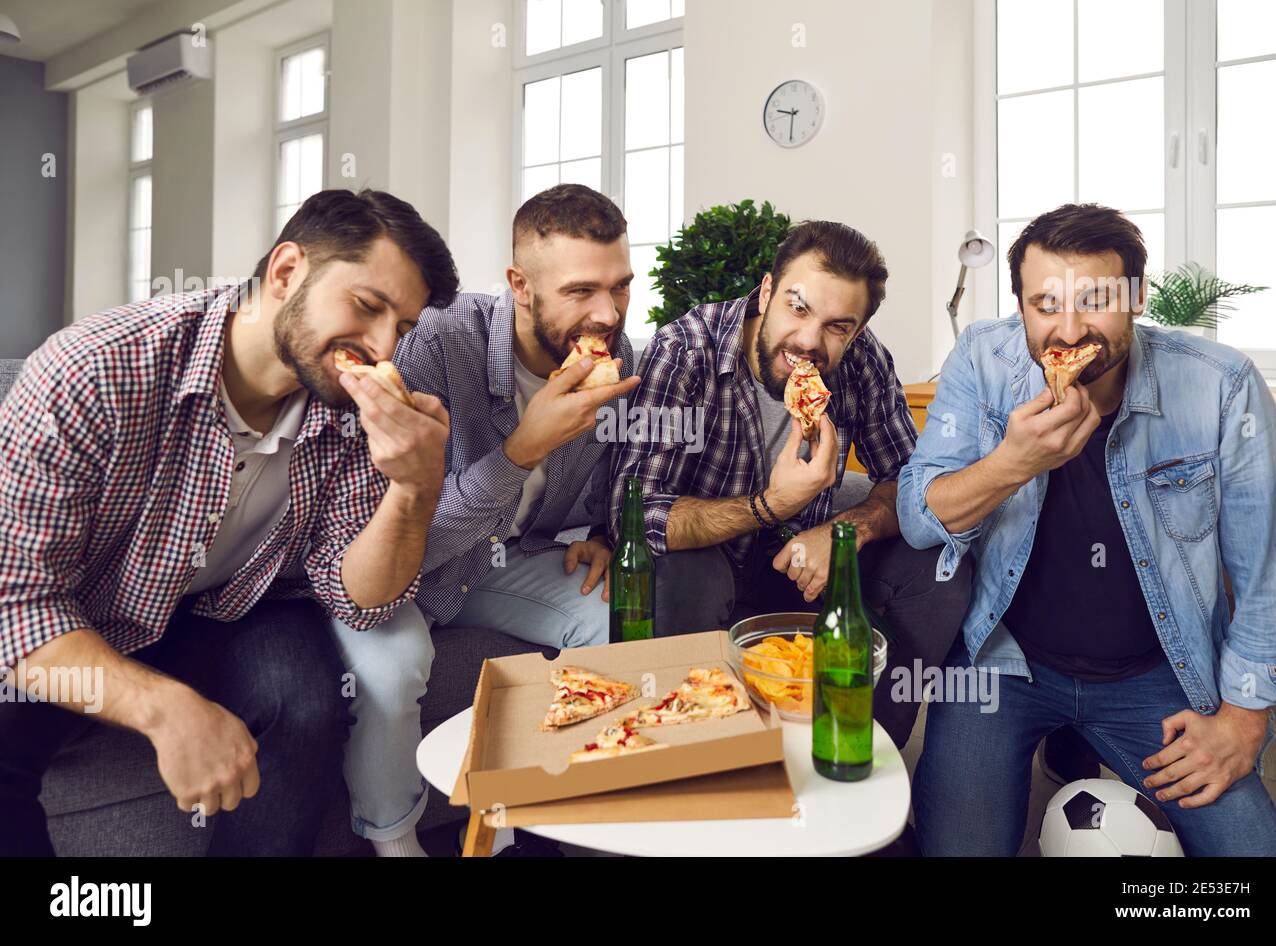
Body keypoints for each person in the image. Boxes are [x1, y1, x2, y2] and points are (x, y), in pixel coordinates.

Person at [0, 188, 457, 856]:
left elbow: (361, 601)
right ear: (285, 272)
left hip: (225, 611)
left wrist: (415, 489)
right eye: (367, 306)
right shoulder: (97, 370)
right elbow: (15, 600)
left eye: (403, 327)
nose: (384, 346)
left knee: (304, 699)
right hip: (83, 618)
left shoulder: (357, 408)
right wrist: (164, 708)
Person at [901, 202, 1276, 856]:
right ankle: (1063, 741)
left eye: (1096, 300)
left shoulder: (1222, 386)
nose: (1069, 327)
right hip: (1004, 664)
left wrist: (1243, 719)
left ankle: (1083, 741)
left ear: (1138, 298)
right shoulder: (982, 359)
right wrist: (1012, 463)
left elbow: (1270, 568)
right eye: (1044, 303)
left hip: (1160, 672)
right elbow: (921, 517)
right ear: (1021, 306)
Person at [326, 184, 639, 855]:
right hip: (407, 567)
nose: (608, 312)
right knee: (395, 664)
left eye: (620, 286)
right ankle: (395, 841)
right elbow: (399, 533)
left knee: (614, 617)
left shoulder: (619, 358)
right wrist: (523, 447)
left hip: (504, 559)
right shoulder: (433, 346)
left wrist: (607, 536)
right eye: (581, 291)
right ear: (520, 286)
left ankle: (537, 813)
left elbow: (620, 469)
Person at [609, 220, 971, 750]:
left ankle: (861, 749)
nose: (808, 342)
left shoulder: (861, 360)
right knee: (684, 574)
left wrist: (845, 531)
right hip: (707, 561)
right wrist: (772, 504)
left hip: (802, 567)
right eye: (797, 309)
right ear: (766, 291)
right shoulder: (688, 349)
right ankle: (702, 755)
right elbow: (632, 513)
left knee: (937, 567)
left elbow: (910, 481)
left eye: (837, 327)